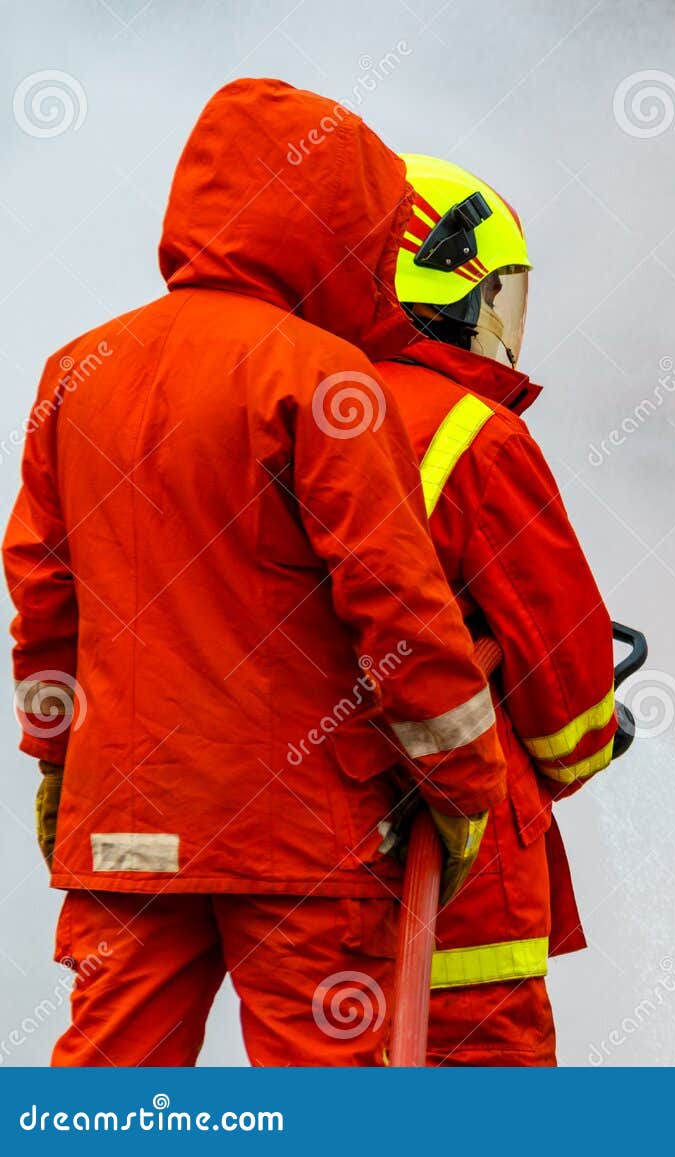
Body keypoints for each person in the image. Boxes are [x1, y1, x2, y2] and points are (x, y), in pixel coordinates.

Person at [4, 80, 507, 1067]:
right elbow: (396, 606)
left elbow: (41, 598)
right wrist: (462, 782)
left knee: (108, 1086)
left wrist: (59, 761)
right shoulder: (322, 378)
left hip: (130, 825)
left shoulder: (77, 370)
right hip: (301, 834)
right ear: (337, 228)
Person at [378, 154, 620, 1065]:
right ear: (462, 290)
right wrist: (584, 744)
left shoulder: (293, 401)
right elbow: (567, 679)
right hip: (461, 882)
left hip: (305, 889)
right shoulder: (477, 436)